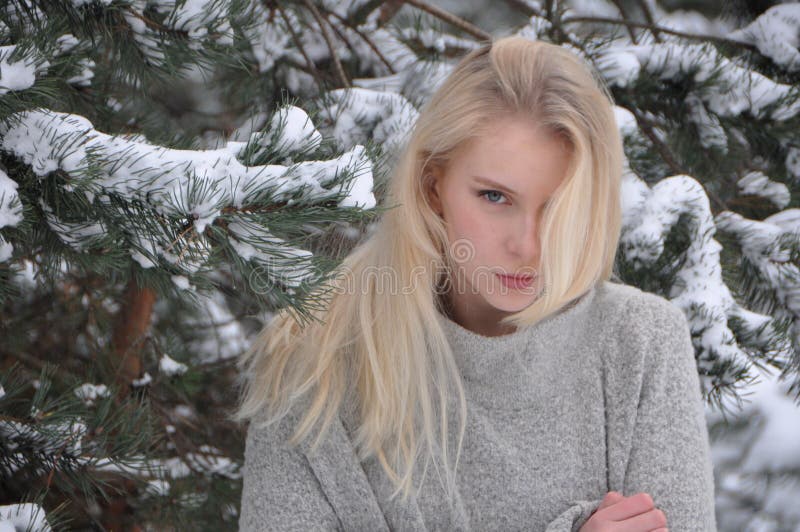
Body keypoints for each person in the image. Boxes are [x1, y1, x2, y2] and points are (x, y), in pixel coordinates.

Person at [232, 36, 717, 531]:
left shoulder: (640, 344)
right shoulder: (315, 363)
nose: (528, 246)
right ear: (432, 186)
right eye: (494, 196)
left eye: (558, 208)